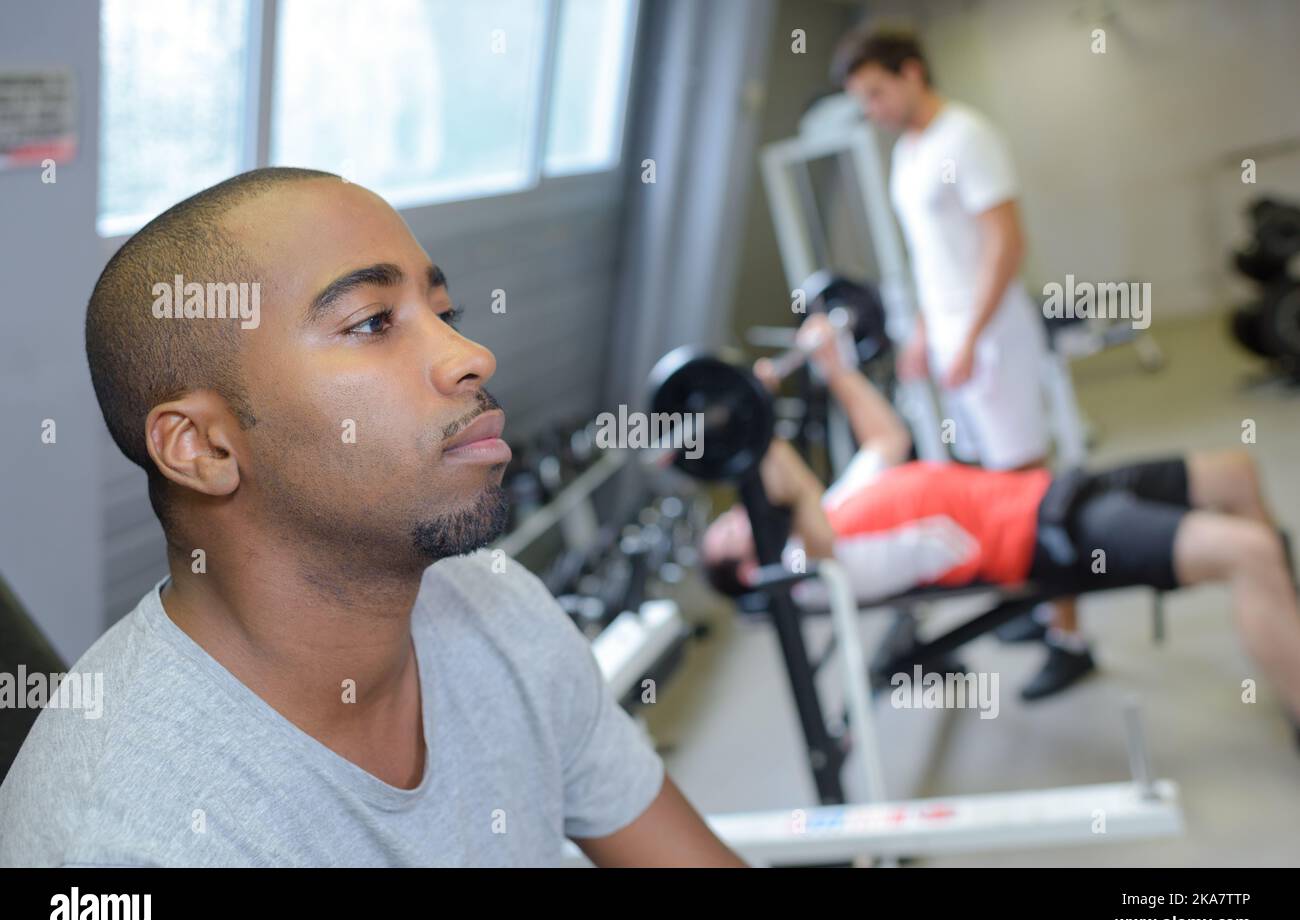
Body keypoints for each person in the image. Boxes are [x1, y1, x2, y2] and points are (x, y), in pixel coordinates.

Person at [0, 168, 745, 868]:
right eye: (371, 322)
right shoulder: (133, 844)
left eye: (444, 312)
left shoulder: (497, 607)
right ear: (202, 447)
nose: (471, 355)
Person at [704, 316, 1300, 743]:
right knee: (1251, 551)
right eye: (727, 536)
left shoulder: (837, 502)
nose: (732, 517)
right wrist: (756, 418)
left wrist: (835, 369)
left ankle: (1284, 636)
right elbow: (804, 505)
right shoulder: (815, 567)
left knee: (1235, 472)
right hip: (1048, 536)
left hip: (1054, 491)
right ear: (754, 571)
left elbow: (886, 439)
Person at [831, 25, 1089, 695]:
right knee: (989, 491)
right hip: (951, 343)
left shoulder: (965, 138)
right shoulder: (909, 153)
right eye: (863, 99)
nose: (872, 110)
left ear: (913, 73)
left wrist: (970, 333)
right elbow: (929, 257)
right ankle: (1035, 601)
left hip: (994, 340)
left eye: (878, 93)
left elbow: (1006, 242)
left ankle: (1071, 635)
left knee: (1028, 490)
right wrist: (923, 329)